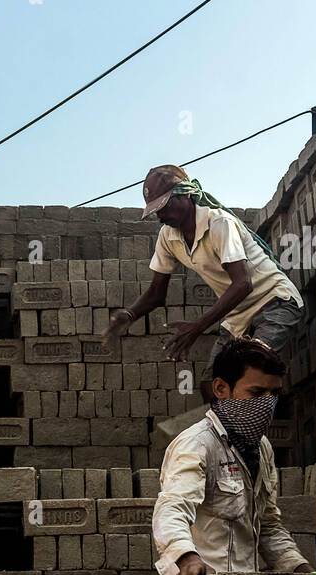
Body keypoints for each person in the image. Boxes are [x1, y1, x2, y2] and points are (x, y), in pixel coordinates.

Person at [103, 164, 305, 403]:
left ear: (185, 194)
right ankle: (226, 439)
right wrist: (129, 314)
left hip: (274, 300)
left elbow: (243, 284)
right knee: (211, 387)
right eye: (155, 211)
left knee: (251, 371)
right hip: (238, 314)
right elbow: (157, 293)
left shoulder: (219, 224)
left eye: (163, 206)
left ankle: (254, 438)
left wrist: (197, 326)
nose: (159, 216)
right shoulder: (168, 237)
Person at [150, 337, 313, 575]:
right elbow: (172, 509)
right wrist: (186, 558)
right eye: (256, 393)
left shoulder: (261, 448)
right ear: (221, 388)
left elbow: (268, 526)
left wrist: (301, 569)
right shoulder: (197, 445)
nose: (267, 405)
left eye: (273, 395)